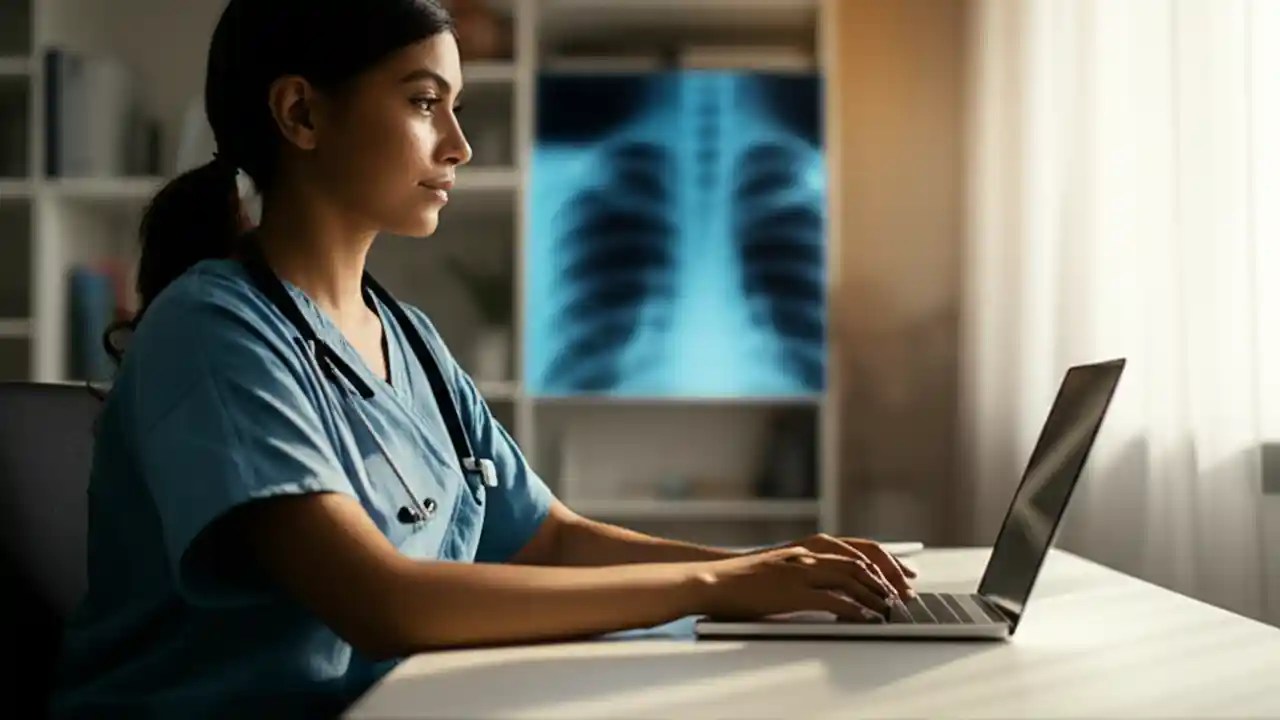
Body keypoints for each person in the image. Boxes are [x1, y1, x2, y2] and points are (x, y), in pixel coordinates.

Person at [52, 1, 916, 717]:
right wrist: (709, 586)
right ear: (302, 114)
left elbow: (546, 537)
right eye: (427, 102)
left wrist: (767, 572)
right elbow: (383, 602)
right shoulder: (212, 330)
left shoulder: (411, 339)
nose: (459, 145)